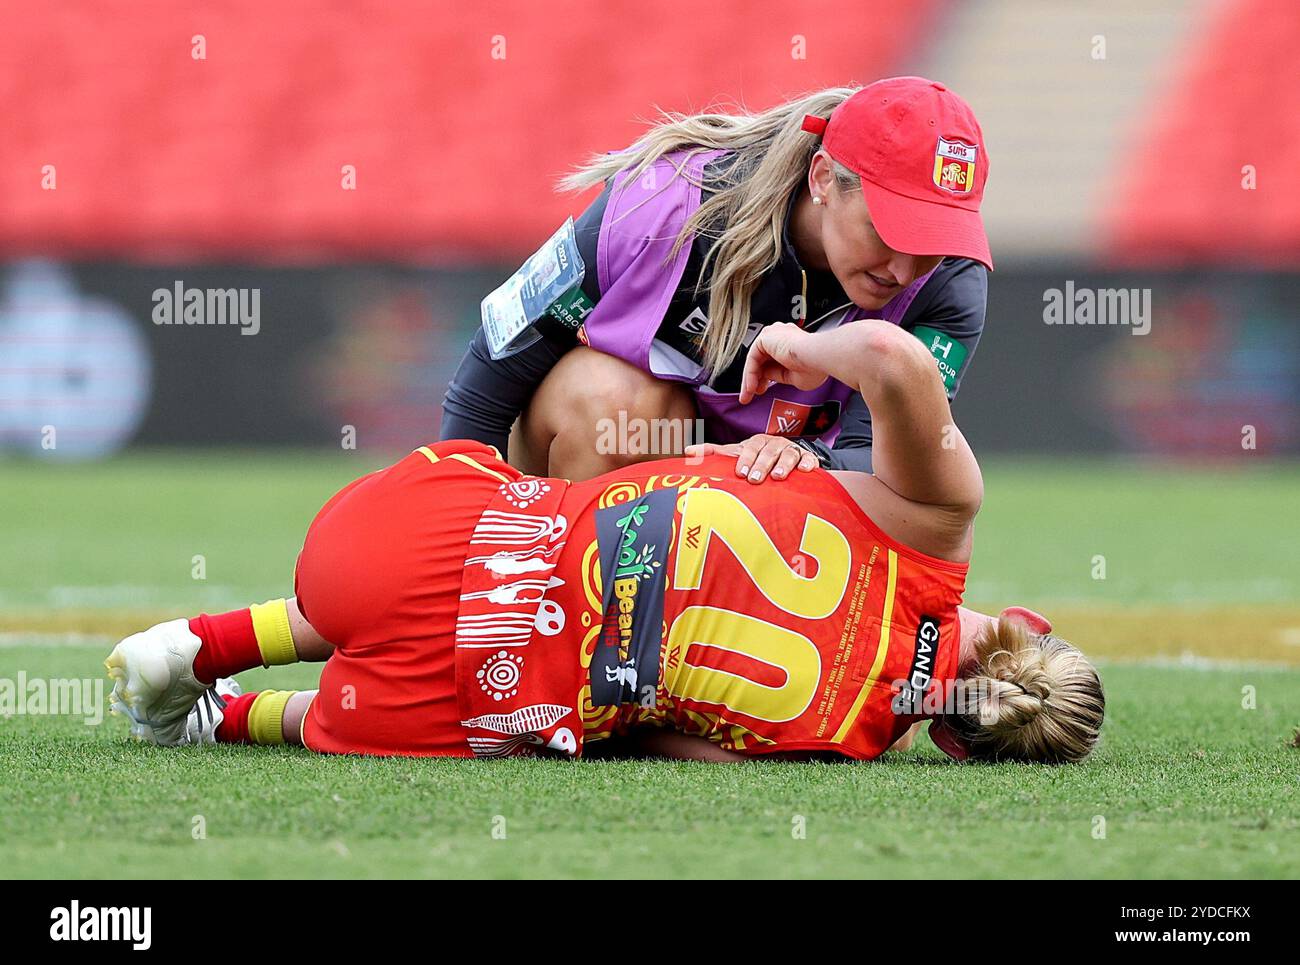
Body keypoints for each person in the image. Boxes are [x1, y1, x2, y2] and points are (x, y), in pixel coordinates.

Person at [105, 317, 1103, 763]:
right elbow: (658, 741)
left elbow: (890, 355)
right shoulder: (841, 747)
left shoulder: (934, 528)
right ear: (953, 738)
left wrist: (795, 354)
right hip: (430, 705)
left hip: (393, 535)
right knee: (449, 695)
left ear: (1026, 622)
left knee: (429, 564)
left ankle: (206, 641)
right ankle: (225, 719)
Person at [441, 76, 992, 485]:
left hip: (787, 490)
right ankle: (580, 608)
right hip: (652, 455)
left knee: (938, 498)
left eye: (931, 242)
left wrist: (809, 460)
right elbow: (489, 379)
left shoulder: (951, 283)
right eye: (887, 230)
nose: (903, 270)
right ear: (823, 178)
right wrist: (457, 556)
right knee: (611, 403)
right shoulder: (662, 208)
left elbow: (892, 460)